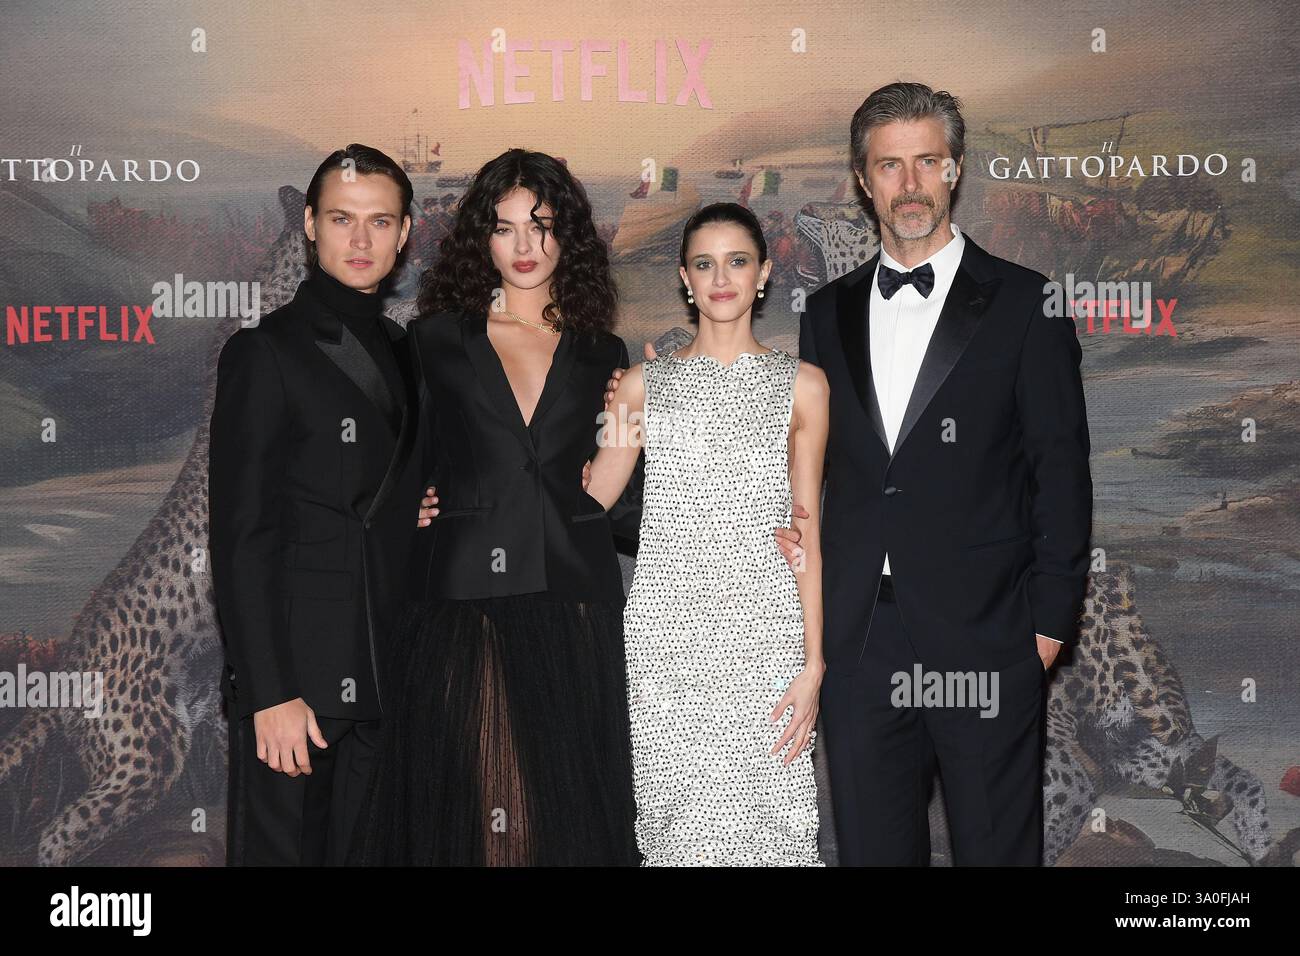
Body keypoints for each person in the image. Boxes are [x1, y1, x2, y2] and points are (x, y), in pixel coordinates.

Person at [797, 82, 1092, 865]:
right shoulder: (824, 314)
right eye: (889, 165)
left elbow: (1060, 473)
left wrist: (1046, 629)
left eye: (927, 161)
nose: (911, 183)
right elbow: (815, 472)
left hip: (989, 632)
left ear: (955, 169)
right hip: (862, 638)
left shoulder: (1029, 303)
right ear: (864, 180)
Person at [349, 148, 642, 866]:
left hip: (573, 607)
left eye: (540, 226)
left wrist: (634, 446)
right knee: (487, 821)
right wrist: (406, 511)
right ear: (482, 239)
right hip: (466, 605)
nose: (523, 245)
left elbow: (616, 507)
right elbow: (389, 467)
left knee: (561, 828)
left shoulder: (603, 351)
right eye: (505, 227)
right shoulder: (433, 342)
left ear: (566, 235)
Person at [589, 202, 829, 865]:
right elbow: (585, 506)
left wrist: (814, 663)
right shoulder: (639, 386)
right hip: (665, 642)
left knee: (772, 831)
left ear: (765, 274)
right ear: (684, 280)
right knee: (678, 832)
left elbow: (807, 534)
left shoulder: (805, 387)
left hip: (766, 637)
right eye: (704, 263)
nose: (721, 277)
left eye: (737, 261)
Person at [210, 144, 421, 865]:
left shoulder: (407, 350)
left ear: (405, 233)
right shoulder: (264, 352)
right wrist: (268, 693)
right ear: (308, 224)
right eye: (341, 219)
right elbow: (241, 536)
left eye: (379, 221)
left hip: (390, 681)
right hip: (297, 689)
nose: (360, 241)